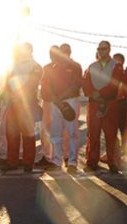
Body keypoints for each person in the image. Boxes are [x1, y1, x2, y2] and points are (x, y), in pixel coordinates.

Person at [40, 44, 83, 173]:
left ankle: (72, 162)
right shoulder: (54, 67)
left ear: (69, 52)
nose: (64, 53)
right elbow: (48, 85)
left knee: (71, 133)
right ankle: (56, 161)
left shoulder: (75, 66)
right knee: (55, 133)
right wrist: (55, 98)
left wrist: (60, 97)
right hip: (56, 103)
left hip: (70, 101)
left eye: (66, 51)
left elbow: (76, 85)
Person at [84, 41, 125, 174]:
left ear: (109, 49)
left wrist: (99, 94)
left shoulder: (116, 66)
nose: (102, 51)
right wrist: (93, 94)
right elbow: (86, 83)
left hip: (110, 103)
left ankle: (112, 161)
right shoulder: (92, 66)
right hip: (94, 104)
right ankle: (92, 161)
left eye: (104, 48)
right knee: (93, 133)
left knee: (111, 134)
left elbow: (114, 84)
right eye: (100, 49)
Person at [1, 42, 42, 173]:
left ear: (30, 50)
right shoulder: (14, 66)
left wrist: (18, 94)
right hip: (13, 104)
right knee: (11, 134)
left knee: (28, 135)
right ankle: (12, 162)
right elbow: (7, 83)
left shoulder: (36, 66)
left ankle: (28, 163)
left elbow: (33, 83)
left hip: (27, 104)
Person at [36, 45, 61, 170]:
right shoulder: (46, 68)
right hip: (46, 102)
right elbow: (42, 84)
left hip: (58, 102)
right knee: (44, 130)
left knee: (56, 131)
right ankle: (46, 156)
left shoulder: (63, 68)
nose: (52, 55)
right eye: (51, 53)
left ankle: (56, 158)